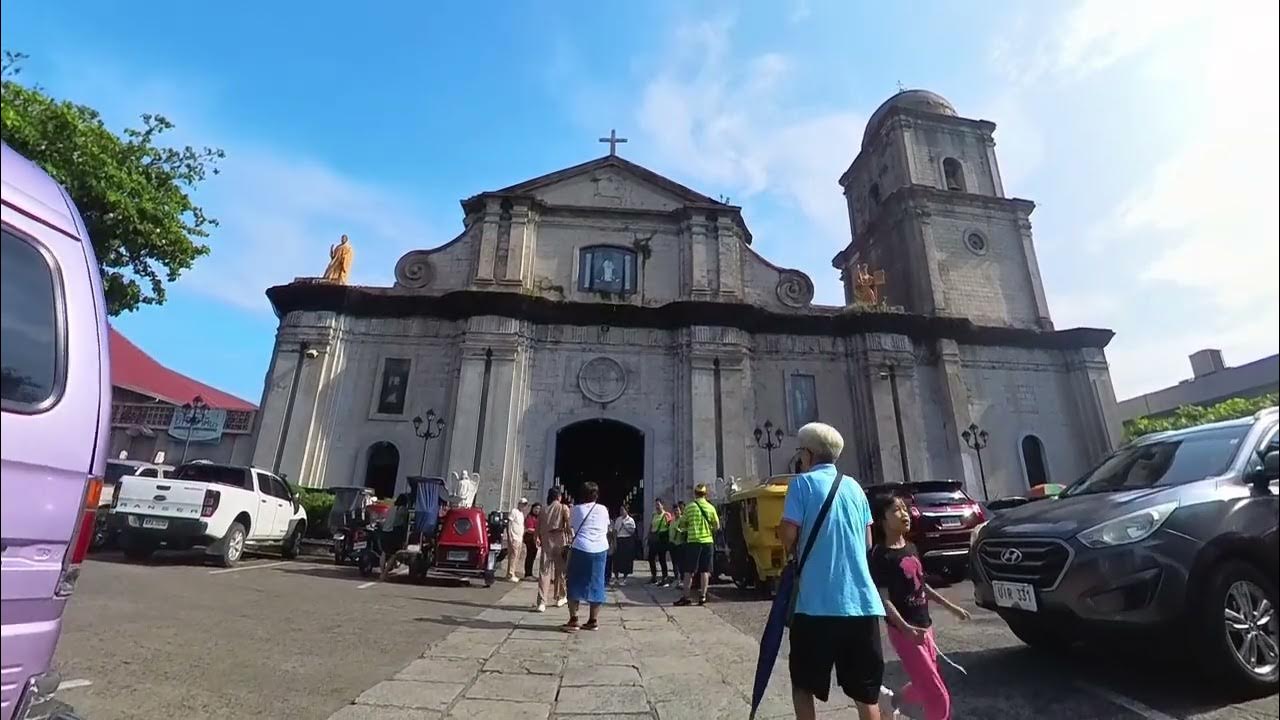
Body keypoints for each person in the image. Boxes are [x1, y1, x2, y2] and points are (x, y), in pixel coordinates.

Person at [779, 422, 886, 720]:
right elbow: (867, 543)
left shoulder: (801, 484)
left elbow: (788, 536)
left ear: (810, 454)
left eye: (801, 452)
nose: (800, 458)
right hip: (862, 605)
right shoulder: (855, 487)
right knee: (865, 695)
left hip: (816, 605)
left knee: (803, 685)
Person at [871, 494, 969, 720]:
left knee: (923, 681)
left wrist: (950, 607)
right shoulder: (881, 555)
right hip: (904, 633)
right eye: (896, 510)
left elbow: (921, 585)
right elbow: (884, 600)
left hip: (926, 628)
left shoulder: (912, 548)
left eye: (905, 508)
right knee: (937, 694)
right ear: (882, 520)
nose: (904, 514)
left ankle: (891, 701)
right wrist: (906, 628)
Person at [564, 481, 611, 631]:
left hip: (581, 547)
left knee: (574, 581)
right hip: (600, 548)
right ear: (596, 495)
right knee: (597, 582)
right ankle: (593, 620)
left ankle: (574, 619)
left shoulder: (576, 510)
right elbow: (606, 527)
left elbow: (571, 527)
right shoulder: (603, 509)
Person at [674, 484, 720, 606]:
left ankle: (686, 597)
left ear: (695, 494)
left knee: (689, 571)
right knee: (705, 571)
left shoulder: (689, 507)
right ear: (706, 494)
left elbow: (682, 524)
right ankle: (703, 596)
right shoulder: (711, 508)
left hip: (693, 542)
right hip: (707, 542)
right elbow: (717, 526)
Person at [536, 487, 570, 612]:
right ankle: (560, 596)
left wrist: (536, 538)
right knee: (560, 571)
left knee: (544, 572)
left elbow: (537, 526)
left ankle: (541, 602)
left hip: (546, 540)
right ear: (559, 497)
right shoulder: (563, 508)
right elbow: (568, 526)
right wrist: (571, 538)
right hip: (559, 540)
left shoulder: (543, 509)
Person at [647, 498, 673, 585]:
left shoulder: (666, 515)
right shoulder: (654, 515)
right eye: (656, 505)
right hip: (654, 539)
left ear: (662, 505)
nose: (657, 506)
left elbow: (670, 526)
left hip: (662, 539)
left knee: (662, 559)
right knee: (651, 558)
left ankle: (664, 577)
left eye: (658, 505)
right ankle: (654, 576)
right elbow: (651, 525)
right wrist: (648, 535)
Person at [612, 505, 638, 585]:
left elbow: (632, 532)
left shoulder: (630, 520)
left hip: (627, 540)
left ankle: (624, 578)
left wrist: (625, 526)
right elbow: (615, 531)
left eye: (623, 510)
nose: (622, 511)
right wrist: (615, 541)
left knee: (626, 560)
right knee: (616, 559)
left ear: (626, 511)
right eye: (621, 510)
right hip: (619, 539)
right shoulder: (618, 519)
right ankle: (616, 578)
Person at [505, 498, 528, 582]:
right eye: (522, 504)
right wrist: (509, 535)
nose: (523, 506)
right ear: (519, 503)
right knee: (513, 555)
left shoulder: (521, 514)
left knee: (516, 556)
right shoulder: (514, 511)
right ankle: (510, 574)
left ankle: (511, 573)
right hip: (514, 537)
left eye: (525, 505)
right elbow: (509, 523)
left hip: (519, 537)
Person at [666, 501, 686, 588]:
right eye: (674, 510)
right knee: (674, 562)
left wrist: (680, 531)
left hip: (680, 543)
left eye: (677, 510)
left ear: (680, 510)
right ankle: (676, 577)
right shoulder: (672, 520)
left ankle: (682, 579)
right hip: (672, 543)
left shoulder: (683, 520)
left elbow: (685, 530)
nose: (676, 512)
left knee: (681, 562)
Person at [523, 502, 542, 580]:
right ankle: (527, 574)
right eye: (536, 508)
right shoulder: (530, 517)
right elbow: (529, 529)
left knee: (533, 556)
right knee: (530, 556)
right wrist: (537, 531)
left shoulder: (539, 518)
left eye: (539, 509)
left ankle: (530, 573)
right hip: (530, 538)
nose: (537, 510)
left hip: (536, 539)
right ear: (532, 509)